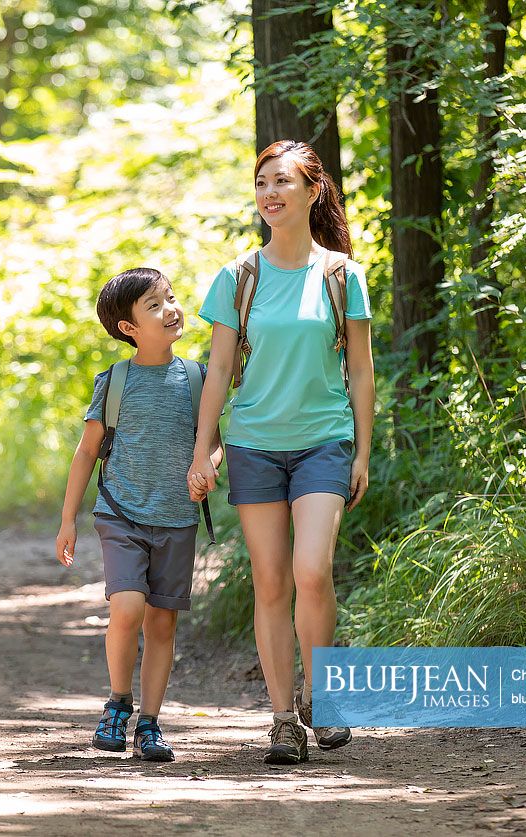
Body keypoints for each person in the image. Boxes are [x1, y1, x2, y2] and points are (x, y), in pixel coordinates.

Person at [187, 140, 375, 765]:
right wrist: (203, 450)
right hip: (253, 446)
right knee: (270, 582)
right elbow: (216, 372)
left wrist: (362, 452)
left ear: (313, 190)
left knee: (312, 572)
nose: (269, 193)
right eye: (262, 182)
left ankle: (324, 698)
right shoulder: (237, 278)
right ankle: (283, 718)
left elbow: (362, 372)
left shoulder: (342, 275)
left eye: (283, 182)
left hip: (324, 441)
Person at [56, 267, 221, 762]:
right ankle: (117, 704)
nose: (170, 309)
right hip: (121, 513)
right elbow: (87, 453)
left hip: (176, 519)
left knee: (163, 625)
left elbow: (211, 443)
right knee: (127, 608)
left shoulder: (197, 378)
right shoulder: (115, 382)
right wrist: (68, 520)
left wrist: (207, 467)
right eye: (154, 305)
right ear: (128, 327)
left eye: (170, 298)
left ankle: (150, 722)